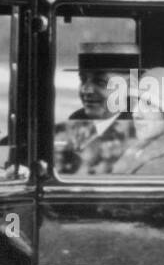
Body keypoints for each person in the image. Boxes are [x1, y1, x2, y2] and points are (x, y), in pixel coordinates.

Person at [57, 42, 138, 175]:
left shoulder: (139, 128)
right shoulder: (77, 119)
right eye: (83, 79)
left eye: (100, 82)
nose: (86, 90)